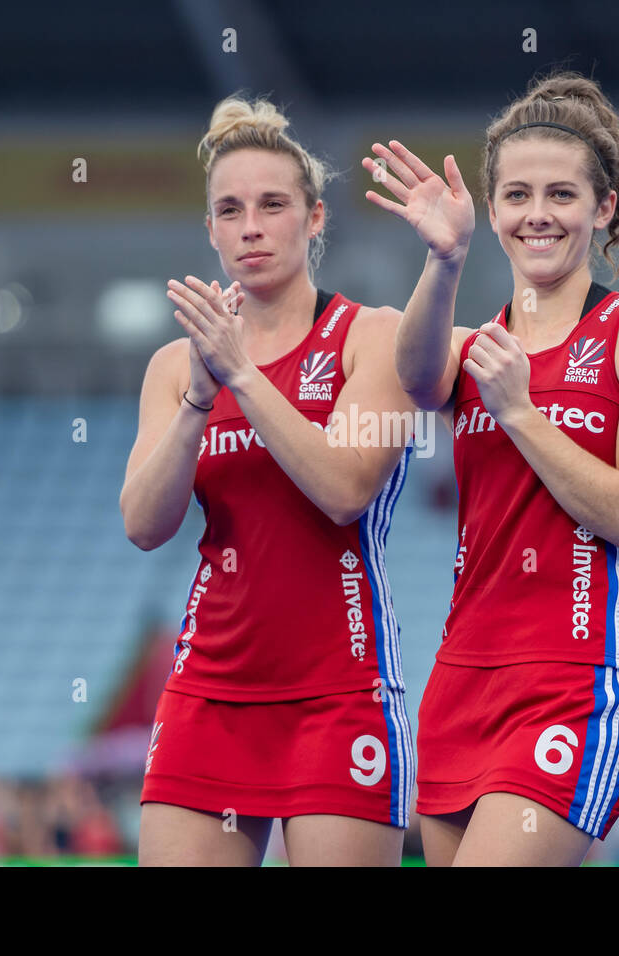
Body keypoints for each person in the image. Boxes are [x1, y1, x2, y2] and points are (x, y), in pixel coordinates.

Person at [364, 70, 619, 865]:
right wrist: (442, 262)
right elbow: (411, 380)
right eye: (516, 196)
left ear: (605, 207)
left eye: (561, 194)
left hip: (577, 680)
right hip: (461, 678)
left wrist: (519, 411)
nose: (537, 214)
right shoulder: (470, 345)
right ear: (492, 212)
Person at [122, 94, 416, 866]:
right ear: (211, 231)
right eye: (230, 209)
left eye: (273, 204)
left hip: (339, 688)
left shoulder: (371, 335)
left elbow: (345, 488)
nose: (251, 225)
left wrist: (242, 375)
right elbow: (144, 526)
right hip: (210, 689)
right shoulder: (174, 367)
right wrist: (197, 396)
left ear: (315, 219)